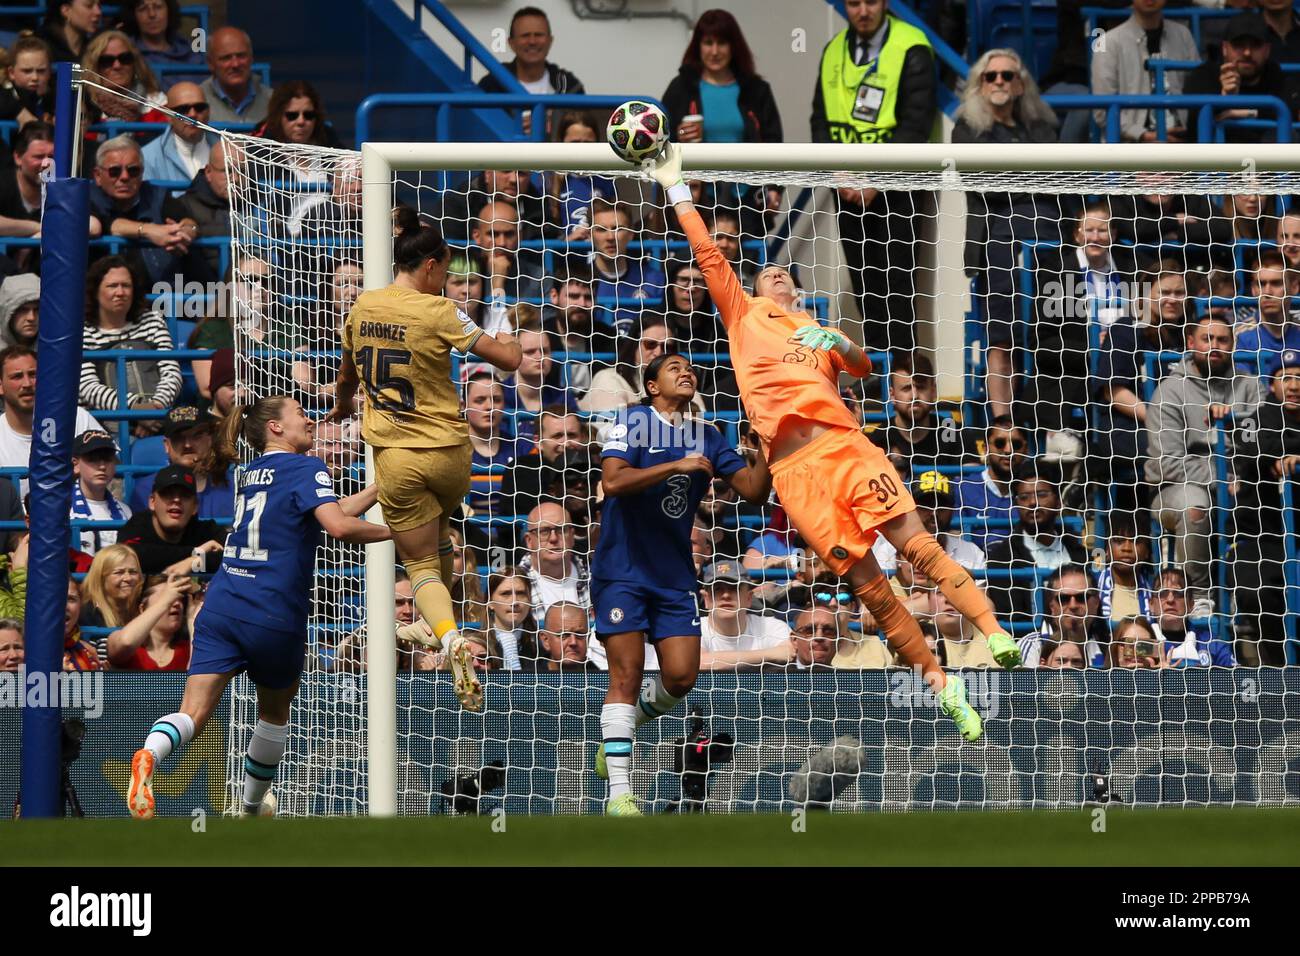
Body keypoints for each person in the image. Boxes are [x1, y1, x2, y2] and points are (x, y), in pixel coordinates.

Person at [654, 141, 1017, 742]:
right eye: (764, 270)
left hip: (845, 446)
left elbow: (868, 369)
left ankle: (993, 630)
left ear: (794, 290)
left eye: (782, 273)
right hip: (795, 471)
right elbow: (708, 253)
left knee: (917, 547)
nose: (771, 273)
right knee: (868, 583)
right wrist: (677, 187)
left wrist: (842, 346)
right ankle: (940, 685)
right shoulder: (744, 317)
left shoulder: (818, 329)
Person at [126, 396, 390, 819]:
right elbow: (338, 526)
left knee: (192, 713)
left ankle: (149, 756)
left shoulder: (249, 474)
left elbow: (326, 513)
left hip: (223, 603)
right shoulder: (307, 468)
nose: (308, 418)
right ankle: (249, 807)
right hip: (273, 610)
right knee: (274, 712)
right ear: (276, 428)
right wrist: (401, 533)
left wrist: (378, 488)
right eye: (298, 412)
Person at [329, 206, 521, 712]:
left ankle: (451, 638)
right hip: (452, 455)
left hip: (397, 458)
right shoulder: (440, 311)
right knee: (440, 551)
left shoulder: (363, 308)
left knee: (420, 567)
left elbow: (347, 378)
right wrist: (511, 328)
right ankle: (436, 628)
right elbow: (510, 360)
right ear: (433, 266)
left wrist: (343, 404)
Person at [591, 351, 770, 815]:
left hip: (674, 575)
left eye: (690, 367)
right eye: (673, 368)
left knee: (681, 675)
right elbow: (612, 481)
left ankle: (621, 735)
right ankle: (620, 794)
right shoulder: (632, 422)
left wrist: (762, 450)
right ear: (651, 386)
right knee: (627, 675)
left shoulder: (708, 436)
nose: (685, 371)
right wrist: (676, 467)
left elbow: (752, 491)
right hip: (622, 570)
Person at [810, 0, 936, 353]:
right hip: (846, 186)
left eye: (870, 2)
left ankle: (901, 376)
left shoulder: (912, 44)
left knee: (898, 284)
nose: (862, 11)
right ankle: (876, 373)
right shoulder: (833, 49)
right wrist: (840, 175)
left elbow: (917, 122)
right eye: (853, 3)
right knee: (865, 284)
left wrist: (876, 179)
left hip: (897, 188)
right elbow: (819, 120)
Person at [951, 48, 1060, 417]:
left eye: (1007, 75)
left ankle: (1049, 422)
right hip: (997, 245)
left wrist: (1015, 178)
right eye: (990, 76)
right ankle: (1004, 423)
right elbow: (983, 184)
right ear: (980, 85)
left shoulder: (1042, 128)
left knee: (1054, 338)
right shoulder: (966, 129)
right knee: (1002, 339)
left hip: (1049, 244)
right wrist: (1030, 179)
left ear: (1020, 84)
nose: (999, 81)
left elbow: (1055, 181)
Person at [1146, 314, 1267, 602]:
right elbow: (1168, 463)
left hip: (1244, 485)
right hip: (1174, 490)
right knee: (1194, 503)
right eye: (1207, 339)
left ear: (1233, 344)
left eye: (1222, 340)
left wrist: (1234, 432)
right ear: (1191, 343)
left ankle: (1259, 597)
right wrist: (1221, 478)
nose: (1215, 346)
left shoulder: (1250, 386)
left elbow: (1264, 441)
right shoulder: (1169, 392)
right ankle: (1198, 597)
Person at [1026, 200, 1137, 434]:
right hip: (1077, 371)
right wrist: (1092, 346)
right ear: (1077, 235)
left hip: (1128, 365)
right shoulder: (1055, 273)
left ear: (1113, 234)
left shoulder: (1131, 268)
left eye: (1102, 230)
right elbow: (1041, 342)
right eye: (1089, 230)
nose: (1095, 237)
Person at [1230, 355, 1299, 666]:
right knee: (1254, 593)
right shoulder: (1253, 419)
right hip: (1263, 534)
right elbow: (1248, 453)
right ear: (1272, 385)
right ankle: (1279, 667)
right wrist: (1282, 455)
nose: (1295, 386)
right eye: (1286, 378)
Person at [88, 136, 211, 286]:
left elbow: (188, 221)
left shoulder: (155, 195)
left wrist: (186, 232)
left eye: (133, 170)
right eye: (115, 171)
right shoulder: (87, 198)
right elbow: (109, 224)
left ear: (142, 173)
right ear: (98, 176)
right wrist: (148, 230)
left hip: (161, 298)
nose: (125, 177)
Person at [79, 255, 183, 430]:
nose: (120, 292)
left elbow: (172, 373)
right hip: (103, 427)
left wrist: (152, 413)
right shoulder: (82, 331)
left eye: (126, 285)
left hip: (156, 419)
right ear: (95, 291)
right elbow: (88, 387)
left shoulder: (153, 320)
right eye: (112, 286)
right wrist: (135, 409)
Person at [661, 9, 783, 144]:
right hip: (696, 166)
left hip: (747, 166)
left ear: (734, 47)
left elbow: (774, 142)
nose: (715, 51)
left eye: (722, 43)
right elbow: (660, 140)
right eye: (708, 43)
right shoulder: (681, 88)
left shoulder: (757, 90)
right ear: (698, 47)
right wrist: (679, 137)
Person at [984, 469, 1087, 626]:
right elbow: (1013, 620)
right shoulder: (1002, 558)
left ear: (1058, 501)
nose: (1033, 502)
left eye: (1042, 494)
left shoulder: (1080, 554)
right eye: (1024, 497)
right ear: (1016, 505)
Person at [0, 345, 104, 496]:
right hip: (13, 518)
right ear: (1, 386)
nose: (27, 384)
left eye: (33, 374)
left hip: (75, 516)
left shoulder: (76, 417)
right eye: (17, 376)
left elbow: (112, 470)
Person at [1090, 1, 1199, 143]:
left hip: (1182, 142)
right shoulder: (1107, 42)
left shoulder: (1183, 35)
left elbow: (1198, 88)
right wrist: (1142, 135)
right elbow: (1102, 110)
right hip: (1130, 147)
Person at [1184, 13, 1300, 144]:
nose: (1247, 53)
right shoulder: (1205, 74)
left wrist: (1245, 112)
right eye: (1239, 45)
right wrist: (1223, 99)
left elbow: (1292, 111)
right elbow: (1193, 125)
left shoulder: (1274, 73)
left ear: (1267, 50)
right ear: (1224, 48)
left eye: (1256, 45)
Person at [476, 5, 586, 136]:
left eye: (538, 35)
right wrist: (513, 127)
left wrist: (553, 124)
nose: (532, 41)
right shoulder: (492, 84)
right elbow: (478, 129)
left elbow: (584, 132)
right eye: (525, 35)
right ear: (511, 43)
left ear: (550, 41)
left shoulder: (569, 85)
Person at [868, 352, 976, 479]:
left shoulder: (952, 432)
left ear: (933, 391)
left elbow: (974, 486)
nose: (914, 396)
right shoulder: (880, 438)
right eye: (906, 388)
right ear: (892, 395)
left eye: (921, 387)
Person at [118, 464, 226, 576]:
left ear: (195, 506)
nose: (176, 500)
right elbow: (129, 556)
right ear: (152, 502)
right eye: (167, 494)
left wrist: (194, 560)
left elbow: (234, 556)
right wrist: (197, 554)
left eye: (185, 495)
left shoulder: (207, 531)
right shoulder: (138, 525)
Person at [129, 405, 234, 520]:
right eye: (178, 438)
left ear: (210, 439)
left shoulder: (234, 486)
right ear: (166, 445)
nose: (187, 444)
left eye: (197, 436)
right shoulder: (147, 489)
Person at [870, 469, 985, 573]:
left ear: (952, 509)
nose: (934, 512)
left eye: (941, 505)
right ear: (911, 506)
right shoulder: (887, 548)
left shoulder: (971, 552)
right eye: (926, 504)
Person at [951, 416, 1029, 554]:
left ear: (1026, 449)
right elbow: (954, 541)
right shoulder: (961, 488)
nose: (1008, 450)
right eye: (1000, 443)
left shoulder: (1033, 493)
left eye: (1016, 444)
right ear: (986, 448)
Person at [698, 559, 792, 669]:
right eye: (717, 589)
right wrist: (769, 655)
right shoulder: (693, 628)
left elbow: (789, 651)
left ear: (748, 598)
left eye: (734, 588)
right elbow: (696, 662)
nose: (726, 595)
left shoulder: (770, 626)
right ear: (706, 599)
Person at [588, 198, 663, 335]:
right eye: (601, 229)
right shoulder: (579, 282)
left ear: (631, 234)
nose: (610, 236)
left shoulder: (654, 281)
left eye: (618, 228)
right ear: (589, 234)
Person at [1018, 565, 1106, 668]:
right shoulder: (1032, 646)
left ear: (1096, 603)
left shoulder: (1111, 645)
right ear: (1051, 606)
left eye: (1082, 597)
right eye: (1063, 598)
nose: (1073, 605)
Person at [517, 500, 589, 625]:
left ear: (572, 536)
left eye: (561, 530)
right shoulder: (514, 586)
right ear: (529, 541)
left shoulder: (594, 579)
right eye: (544, 531)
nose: (554, 538)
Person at [1234, 250, 1300, 381]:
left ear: (1294, 287)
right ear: (1253, 289)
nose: (1267, 292)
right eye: (1261, 284)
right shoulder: (1239, 335)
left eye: (1276, 283)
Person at [107, 572, 193, 670]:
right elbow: (125, 643)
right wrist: (165, 601)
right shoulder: (124, 642)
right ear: (143, 608)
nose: (177, 603)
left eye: (179, 598)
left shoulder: (188, 648)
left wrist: (192, 621)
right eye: (166, 596)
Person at [81, 30, 167, 126]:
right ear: (94, 66)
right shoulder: (84, 106)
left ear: (134, 63)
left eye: (125, 58)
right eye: (106, 60)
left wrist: (137, 119)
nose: (117, 66)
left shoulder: (157, 102)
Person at [141, 82, 215, 191]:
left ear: (208, 112)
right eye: (183, 109)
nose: (192, 114)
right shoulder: (147, 157)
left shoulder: (227, 151)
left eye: (199, 107)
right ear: (168, 115)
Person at [1154, 568, 1236, 667]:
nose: (1170, 599)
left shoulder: (1211, 643)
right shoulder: (1142, 641)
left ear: (1191, 604)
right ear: (1151, 604)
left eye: (1178, 593)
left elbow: (1238, 678)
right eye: (1162, 593)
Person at [70, 429, 131, 555]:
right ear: (76, 464)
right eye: (93, 459)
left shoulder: (126, 511)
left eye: (108, 459)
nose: (102, 466)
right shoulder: (61, 509)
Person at [176, 139, 231, 276]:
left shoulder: (262, 204)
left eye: (241, 171)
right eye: (227, 171)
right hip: (200, 292)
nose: (235, 178)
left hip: (255, 292)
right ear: (208, 172)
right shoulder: (185, 206)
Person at [121, 0, 207, 85]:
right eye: (142, 9)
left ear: (169, 11)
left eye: (158, 7)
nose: (152, 14)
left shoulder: (189, 53)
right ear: (133, 15)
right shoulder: (125, 53)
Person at [78, 543, 143, 655]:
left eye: (133, 572)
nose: (128, 578)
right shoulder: (86, 613)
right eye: (119, 572)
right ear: (101, 577)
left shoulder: (146, 607)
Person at [200, 26, 272, 124]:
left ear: (251, 58)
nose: (235, 64)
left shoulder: (273, 102)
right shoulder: (196, 104)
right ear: (210, 63)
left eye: (241, 56)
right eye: (226, 58)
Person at [1095, 512, 1156, 623]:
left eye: (1135, 541)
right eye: (1119, 541)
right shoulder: (1091, 587)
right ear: (1107, 550)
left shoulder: (1156, 593)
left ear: (1147, 552)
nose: (1127, 548)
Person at [255, 81, 342, 148]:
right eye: (292, 116)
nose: (301, 121)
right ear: (278, 117)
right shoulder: (264, 145)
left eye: (308, 115)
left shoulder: (328, 138)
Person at [484, 567, 539, 670]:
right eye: (506, 594)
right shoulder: (477, 648)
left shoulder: (542, 646)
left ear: (530, 600)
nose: (514, 602)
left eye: (521, 593)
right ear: (490, 602)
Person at [0, 35, 55, 125]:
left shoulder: (59, 97)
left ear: (50, 71)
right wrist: (18, 111)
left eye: (41, 71)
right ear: (11, 73)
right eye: (27, 71)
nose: (35, 77)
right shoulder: (4, 95)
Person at [538, 601, 595, 671]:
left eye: (579, 634)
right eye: (564, 635)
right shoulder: (528, 678)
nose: (573, 642)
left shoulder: (602, 678)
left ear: (588, 638)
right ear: (545, 640)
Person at [63, 578, 102, 672]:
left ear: (80, 605)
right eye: (55, 598)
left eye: (71, 599)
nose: (64, 606)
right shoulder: (26, 649)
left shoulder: (89, 654)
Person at [0, 273, 40, 349]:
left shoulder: (56, 344)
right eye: (23, 310)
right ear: (7, 314)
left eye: (37, 309)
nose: (31, 318)